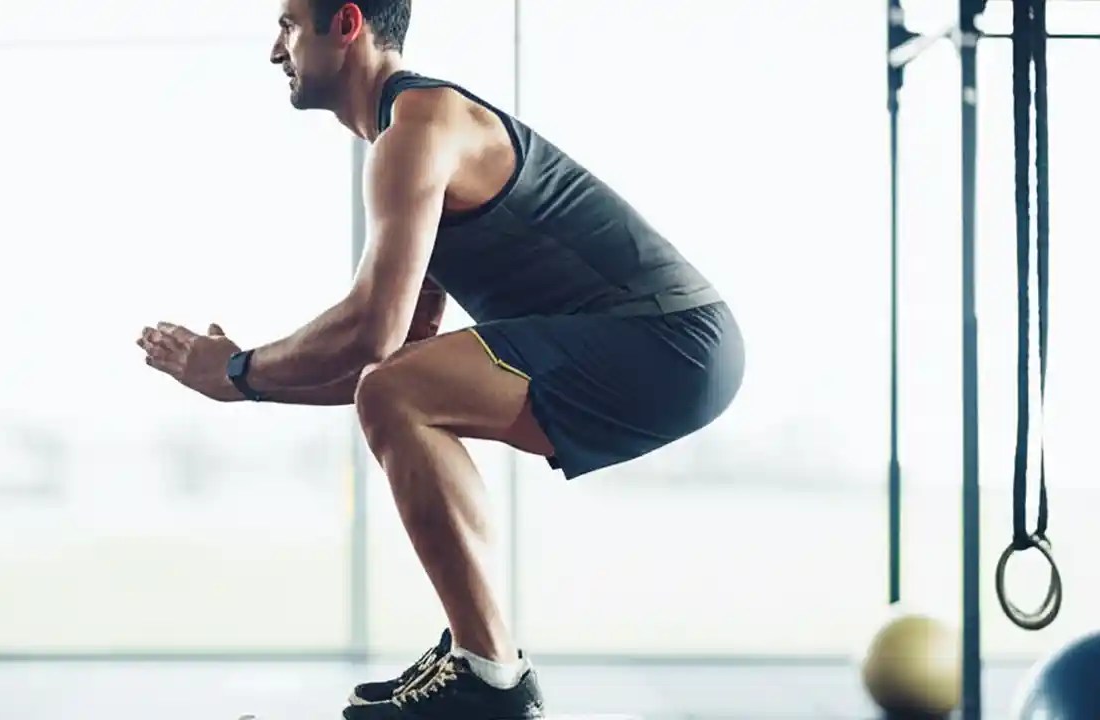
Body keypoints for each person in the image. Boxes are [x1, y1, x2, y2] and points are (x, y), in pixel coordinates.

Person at [136, 0, 746, 717]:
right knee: (400, 391)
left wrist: (239, 371)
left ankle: (489, 676)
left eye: (289, 26)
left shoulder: (420, 127)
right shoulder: (412, 138)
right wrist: (245, 382)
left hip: (670, 341)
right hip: (676, 348)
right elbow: (390, 360)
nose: (277, 51)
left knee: (398, 392)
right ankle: (480, 658)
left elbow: (369, 331)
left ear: (347, 24)